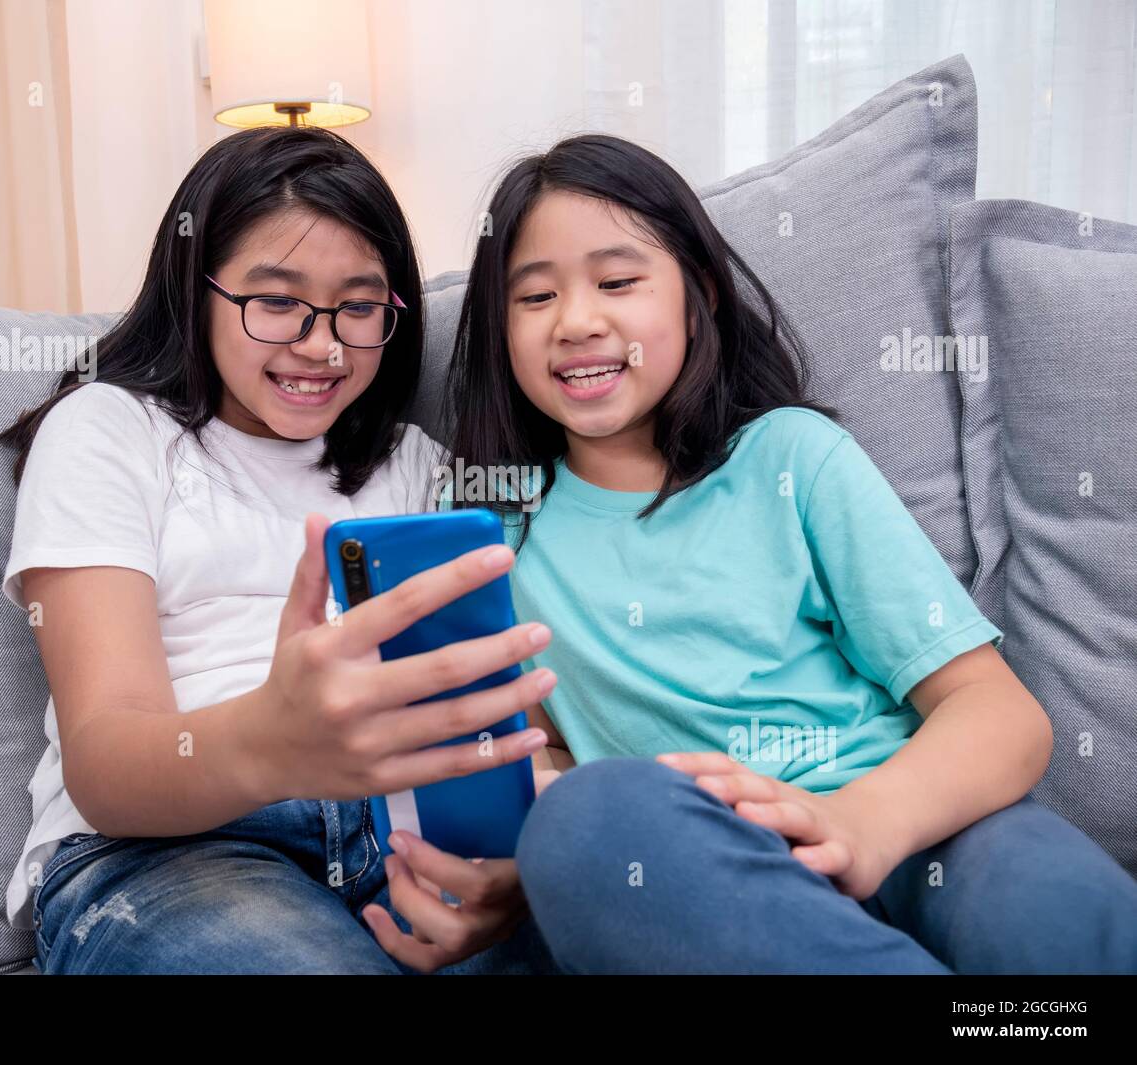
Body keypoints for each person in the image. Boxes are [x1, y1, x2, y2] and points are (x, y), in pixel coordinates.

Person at [442, 132, 1137, 974]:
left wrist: (861, 824)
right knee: (581, 821)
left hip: (918, 824)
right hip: (711, 877)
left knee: (1054, 906)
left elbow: (1001, 716)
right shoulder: (498, 538)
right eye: (535, 297)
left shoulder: (789, 458)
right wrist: (539, 795)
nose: (578, 321)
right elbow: (541, 746)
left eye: (619, 282)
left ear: (697, 292)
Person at [0, 125, 564, 974]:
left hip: (399, 843)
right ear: (198, 290)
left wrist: (515, 864)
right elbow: (106, 762)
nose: (322, 343)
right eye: (277, 301)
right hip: (167, 853)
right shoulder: (107, 431)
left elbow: (522, 716)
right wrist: (273, 739)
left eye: (359, 307)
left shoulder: (423, 472)